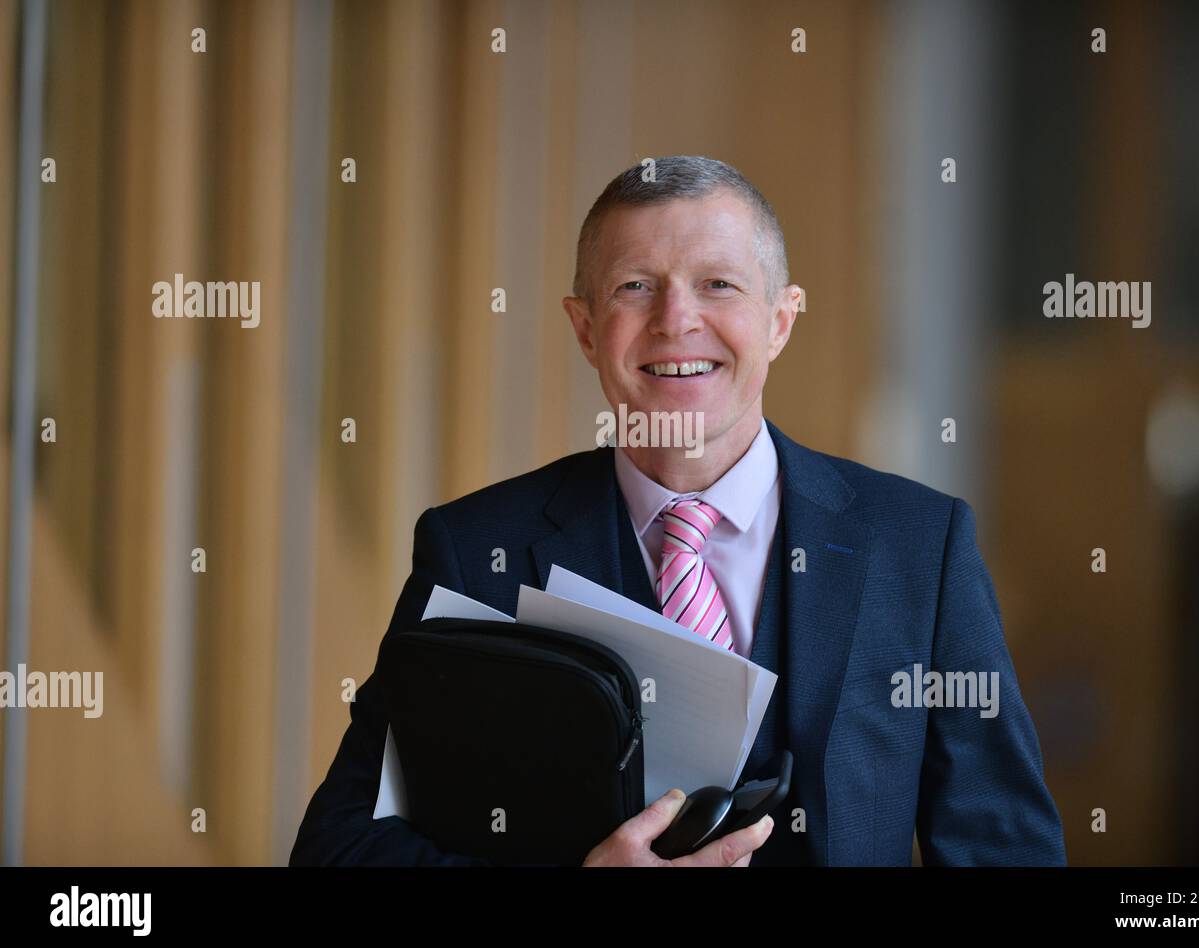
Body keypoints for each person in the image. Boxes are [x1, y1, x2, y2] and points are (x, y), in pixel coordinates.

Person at [289, 155, 1067, 867]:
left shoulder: (918, 546)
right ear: (587, 329)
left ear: (781, 319)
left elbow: (1005, 847)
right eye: (635, 286)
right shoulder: (476, 548)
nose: (675, 320)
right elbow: (340, 848)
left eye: (719, 284)